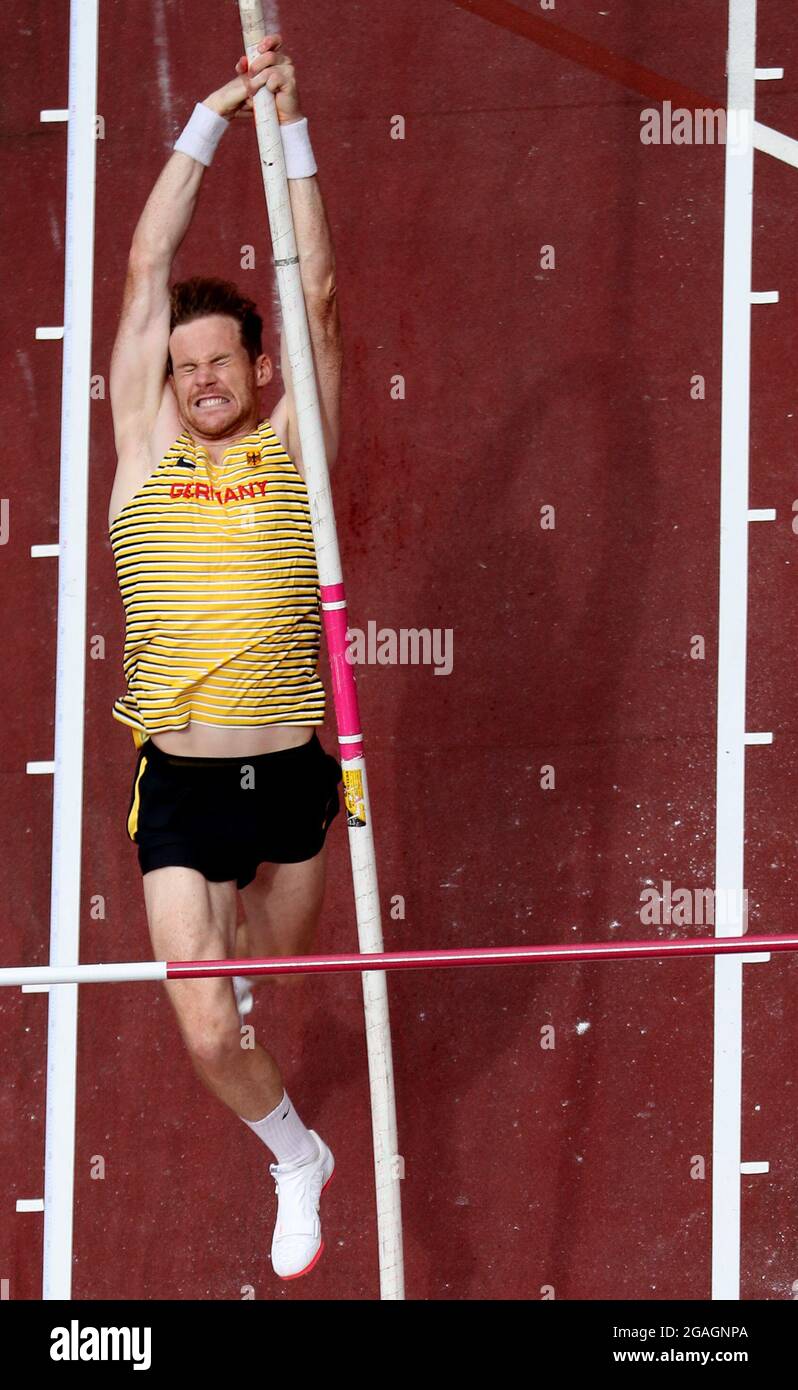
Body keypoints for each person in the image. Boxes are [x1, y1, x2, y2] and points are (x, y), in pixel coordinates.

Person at [107, 33, 342, 1281]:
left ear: (255, 376)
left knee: (278, 957)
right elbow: (146, 269)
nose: (199, 379)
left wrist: (288, 127)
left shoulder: (294, 450)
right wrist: (210, 115)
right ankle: (295, 1154)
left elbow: (318, 296)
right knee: (208, 1022)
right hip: (184, 782)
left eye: (220, 363)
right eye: (183, 364)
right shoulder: (143, 454)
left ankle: (247, 947)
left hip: (298, 771)